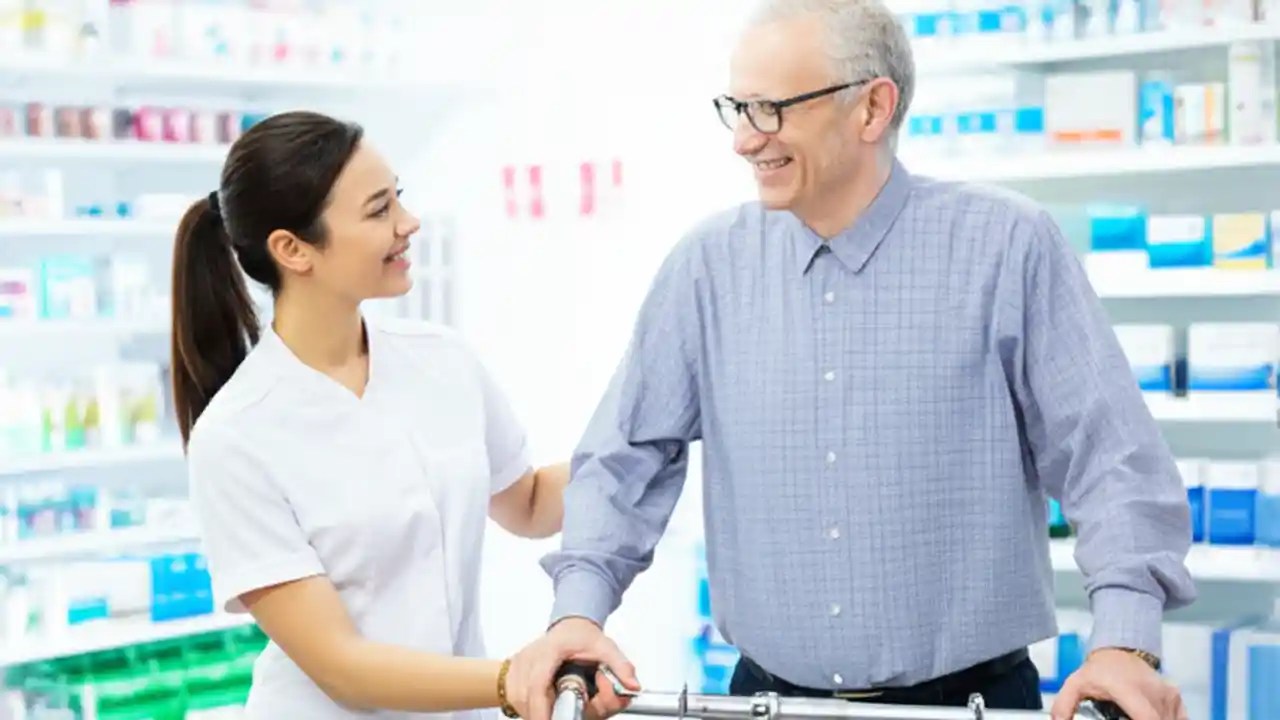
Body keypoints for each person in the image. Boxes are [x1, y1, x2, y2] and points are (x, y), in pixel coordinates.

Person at [504, 2, 1197, 720]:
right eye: (736, 108)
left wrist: (1125, 645)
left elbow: (1111, 461)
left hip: (968, 706)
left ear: (872, 107)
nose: (744, 139)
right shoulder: (707, 268)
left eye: (770, 109)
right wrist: (578, 612)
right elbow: (626, 459)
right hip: (764, 703)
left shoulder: (1006, 247)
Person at [172, 110, 565, 719]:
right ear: (293, 249)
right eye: (379, 210)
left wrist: (649, 438)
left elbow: (531, 504)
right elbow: (343, 666)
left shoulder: (443, 361)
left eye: (397, 198)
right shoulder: (236, 435)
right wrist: (516, 679)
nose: (409, 223)